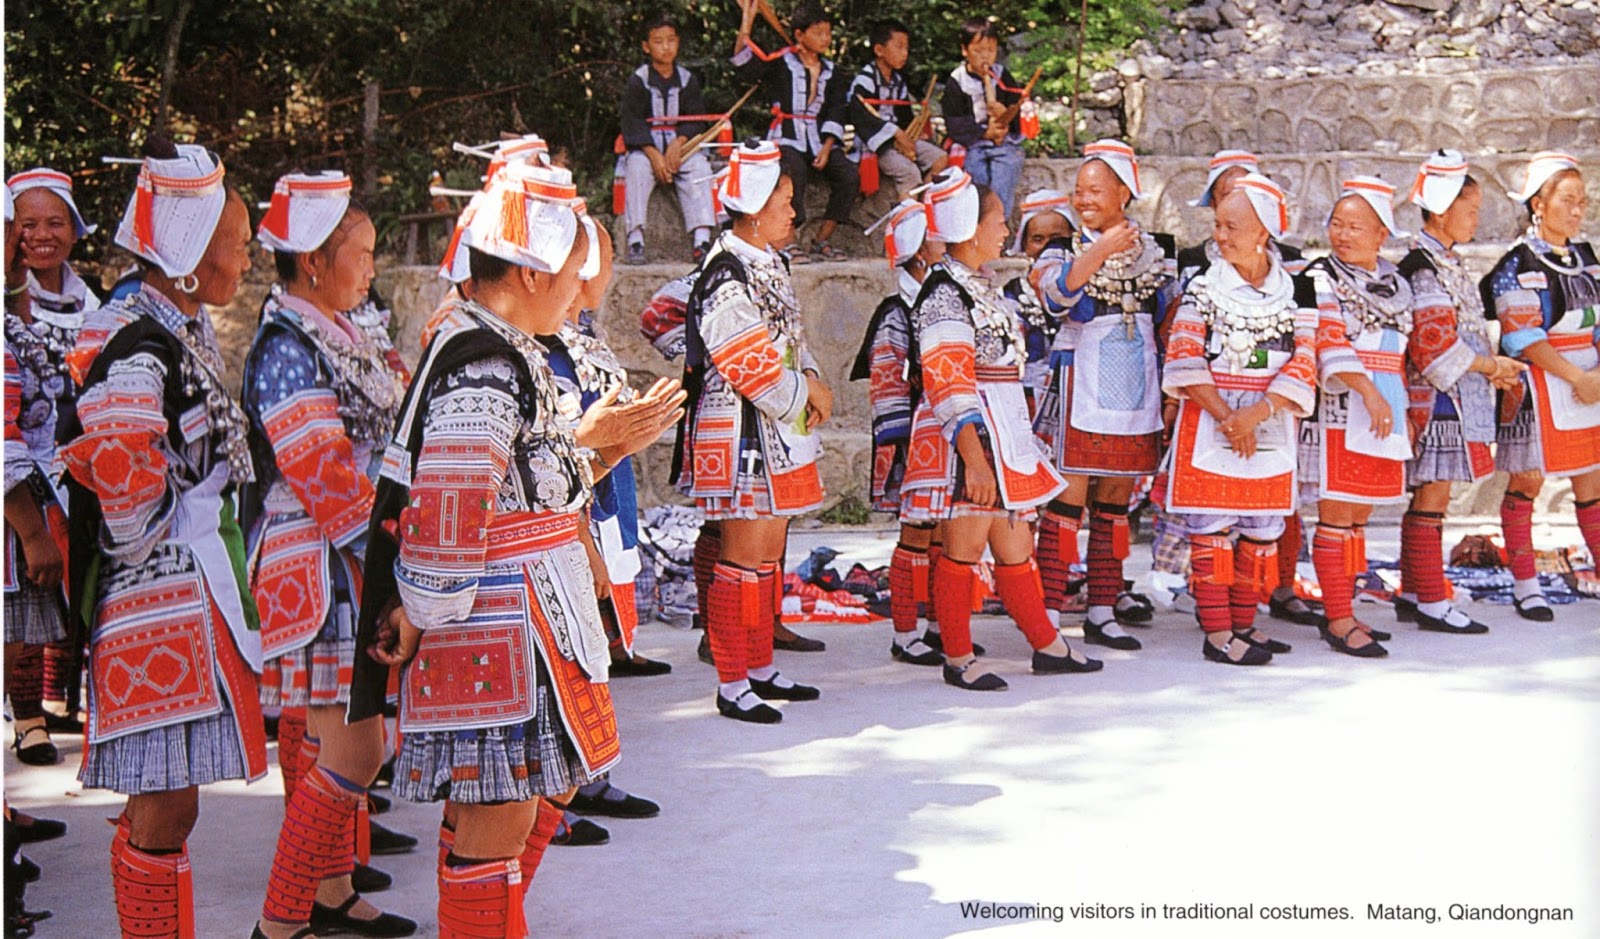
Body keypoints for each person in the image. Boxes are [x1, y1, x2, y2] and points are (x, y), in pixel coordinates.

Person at [351, 160, 676, 937]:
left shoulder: (497, 345)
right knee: (491, 833)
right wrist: (422, 609)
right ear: (529, 273)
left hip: (511, 616)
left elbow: (506, 482)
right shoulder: (486, 363)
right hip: (492, 628)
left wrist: (596, 451)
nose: (579, 286)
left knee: (500, 824)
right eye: (572, 269)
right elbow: (451, 507)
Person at [57, 138, 262, 938]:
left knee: (172, 798)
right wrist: (159, 541)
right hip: (159, 589)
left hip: (184, 579)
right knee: (164, 799)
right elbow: (121, 476)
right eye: (235, 244)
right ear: (187, 255)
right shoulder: (138, 339)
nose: (246, 258)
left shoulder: (174, 321)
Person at [243, 171, 416, 939]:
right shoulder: (286, 343)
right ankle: (279, 923)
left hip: (347, 554)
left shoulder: (340, 330)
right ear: (313, 261)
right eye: (365, 252)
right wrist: (389, 558)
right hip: (321, 557)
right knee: (355, 743)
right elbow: (319, 468)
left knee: (343, 733)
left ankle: (332, 888)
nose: (374, 266)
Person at [901, 168, 1102, 690]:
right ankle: (959, 656)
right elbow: (947, 381)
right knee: (963, 549)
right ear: (968, 228)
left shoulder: (979, 287)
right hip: (971, 437)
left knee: (1015, 547)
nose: (1004, 231)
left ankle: (1048, 644)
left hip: (1001, 431)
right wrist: (974, 459)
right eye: (996, 221)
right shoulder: (945, 294)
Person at [674, 140, 830, 722]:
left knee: (765, 555)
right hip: (740, 428)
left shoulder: (767, 261)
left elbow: (790, 339)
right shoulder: (724, 271)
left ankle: (761, 665)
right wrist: (803, 391)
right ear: (757, 207)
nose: (793, 213)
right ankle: (732, 680)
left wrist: (811, 375)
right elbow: (743, 357)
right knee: (740, 557)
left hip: (776, 425)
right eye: (786, 201)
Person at [1029, 140, 1176, 652]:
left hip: (1137, 386)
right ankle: (1047, 608)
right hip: (1081, 383)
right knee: (1067, 503)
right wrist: (1099, 250)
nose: (1084, 197)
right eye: (1079, 189)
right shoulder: (1061, 248)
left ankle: (1102, 607)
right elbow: (1054, 298)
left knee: (1114, 506)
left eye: (1096, 189)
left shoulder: (1159, 254)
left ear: (1123, 192)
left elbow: (1171, 321)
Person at [1163, 176, 1315, 664]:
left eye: (1231, 227)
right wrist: (1230, 417)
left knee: (1261, 528)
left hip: (1267, 420)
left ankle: (1244, 625)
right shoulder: (1202, 288)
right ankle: (1217, 633)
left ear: (1263, 232)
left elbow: (1305, 359)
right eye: (1217, 225)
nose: (1221, 236)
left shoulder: (1300, 289)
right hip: (1213, 419)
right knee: (1211, 528)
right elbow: (1184, 356)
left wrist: (1257, 413)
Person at [1396, 152, 1526, 635]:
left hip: (1453, 395)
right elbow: (1432, 346)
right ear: (1443, 209)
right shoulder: (1423, 267)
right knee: (1433, 496)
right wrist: (1491, 365)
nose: (1476, 218)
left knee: (1430, 498)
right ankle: (1431, 598)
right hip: (1438, 400)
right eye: (1470, 209)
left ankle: (1413, 590)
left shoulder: (1443, 261)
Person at [3, 167, 97, 768]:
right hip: (22, 474)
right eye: (28, 224)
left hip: (78, 470)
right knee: (24, 595)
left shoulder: (92, 302)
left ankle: (62, 700)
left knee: (72, 592)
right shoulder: (10, 309)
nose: (42, 236)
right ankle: (28, 718)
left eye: (54, 222)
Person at [1482, 151, 1600, 621]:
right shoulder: (1517, 263)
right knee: (1527, 483)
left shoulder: (1587, 259)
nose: (1577, 210)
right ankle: (1526, 583)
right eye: (1567, 200)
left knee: (1591, 481)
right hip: (1539, 386)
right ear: (1538, 204)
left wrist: (1595, 378)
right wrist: (1577, 378)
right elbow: (1522, 335)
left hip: (1590, 382)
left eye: (1582, 202)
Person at [1301, 176, 1414, 657]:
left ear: (1381, 234)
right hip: (1343, 402)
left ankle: (1347, 607)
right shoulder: (1319, 278)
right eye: (1336, 224)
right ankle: (1338, 618)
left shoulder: (1396, 281)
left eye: (1355, 227)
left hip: (1387, 400)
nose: (1342, 235)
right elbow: (1330, 342)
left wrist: (1404, 406)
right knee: (1337, 510)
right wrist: (1368, 391)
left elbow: (1403, 352)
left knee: (1361, 513)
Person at [851, 197, 947, 666]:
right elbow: (888, 389)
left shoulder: (936, 302)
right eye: (936, 237)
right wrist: (903, 448)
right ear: (921, 249)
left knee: (942, 536)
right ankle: (906, 632)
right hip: (913, 440)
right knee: (917, 533)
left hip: (941, 435)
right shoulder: (897, 313)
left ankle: (935, 624)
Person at [733, 0, 858, 261]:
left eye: (827, 32)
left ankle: (822, 239)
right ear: (799, 34)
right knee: (793, 170)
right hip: (785, 135)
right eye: (818, 33)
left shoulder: (832, 72)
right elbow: (743, 65)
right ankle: (787, 241)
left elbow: (837, 109)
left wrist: (827, 148)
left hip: (819, 139)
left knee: (848, 174)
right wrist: (748, 20)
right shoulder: (780, 63)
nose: (825, 38)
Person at [619, 12, 717, 265]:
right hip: (647, 149)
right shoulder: (638, 80)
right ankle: (636, 238)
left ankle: (702, 240)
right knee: (636, 168)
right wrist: (654, 155)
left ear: (678, 42)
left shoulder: (687, 80)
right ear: (646, 46)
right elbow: (631, 121)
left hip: (680, 149)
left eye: (671, 40)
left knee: (700, 168)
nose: (666, 47)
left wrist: (678, 144)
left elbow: (696, 119)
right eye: (658, 41)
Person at [847, 19, 948, 200]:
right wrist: (895, 133)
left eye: (906, 48)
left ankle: (924, 201)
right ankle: (908, 222)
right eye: (899, 47)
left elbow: (904, 118)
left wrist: (915, 131)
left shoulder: (898, 81)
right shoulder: (865, 79)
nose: (905, 53)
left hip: (900, 138)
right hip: (876, 144)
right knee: (909, 173)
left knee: (940, 158)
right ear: (879, 50)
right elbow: (861, 118)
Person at [941, 18, 1028, 219]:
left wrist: (1003, 113)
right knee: (974, 174)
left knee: (1008, 168)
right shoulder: (957, 80)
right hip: (973, 142)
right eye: (978, 51)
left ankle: (999, 222)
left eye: (991, 50)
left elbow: (1015, 108)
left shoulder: (1001, 75)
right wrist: (983, 132)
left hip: (1002, 141)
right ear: (965, 50)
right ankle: (978, 224)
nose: (986, 57)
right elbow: (954, 119)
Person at [1003, 189, 1075, 402]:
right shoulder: (1013, 293)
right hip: (1029, 398)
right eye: (1037, 239)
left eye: (1056, 238)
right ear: (1025, 244)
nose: (1047, 246)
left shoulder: (1090, 285)